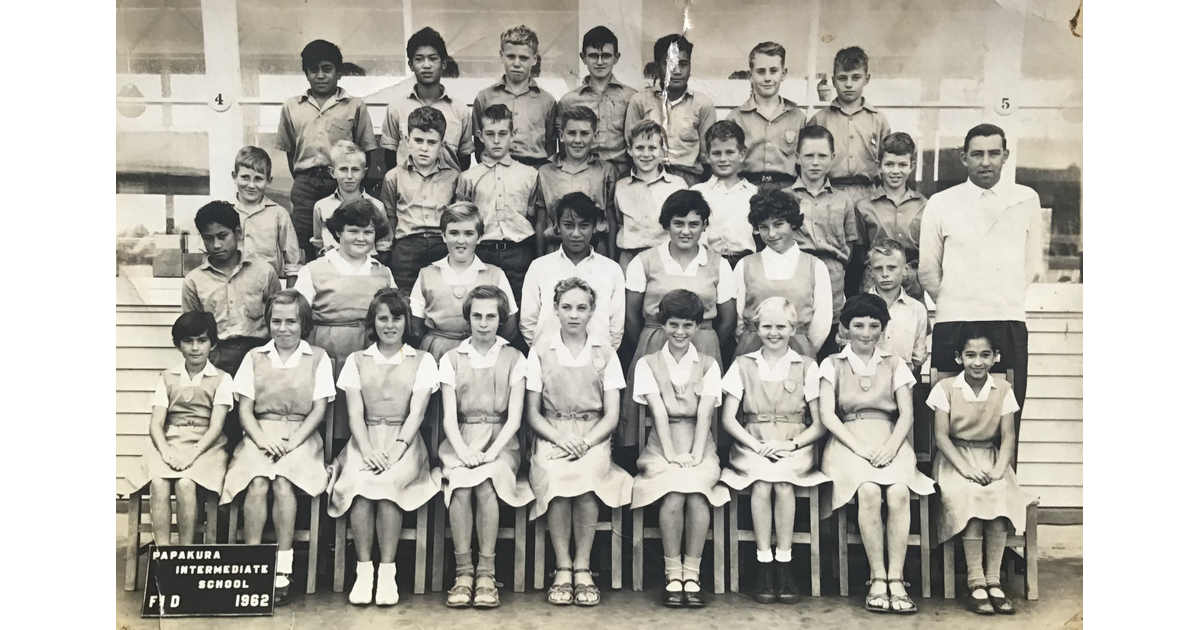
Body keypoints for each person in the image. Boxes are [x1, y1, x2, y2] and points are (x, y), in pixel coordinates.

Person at [919, 123, 1043, 448]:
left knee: (1006, 416)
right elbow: (928, 270)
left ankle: (1005, 491)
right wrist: (954, 301)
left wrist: (1003, 298)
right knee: (948, 413)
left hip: (1007, 320)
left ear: (1005, 155)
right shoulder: (941, 202)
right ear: (964, 158)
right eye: (977, 154)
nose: (985, 161)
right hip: (954, 322)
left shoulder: (1025, 199)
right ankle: (948, 493)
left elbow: (1030, 264)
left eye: (993, 153)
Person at [818, 293, 934, 615]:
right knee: (868, 491)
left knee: (898, 493)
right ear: (845, 328)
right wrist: (860, 449)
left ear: (883, 329)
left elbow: (907, 416)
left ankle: (896, 579)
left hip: (889, 438)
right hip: (848, 442)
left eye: (874, 326)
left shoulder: (895, 364)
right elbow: (828, 416)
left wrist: (890, 447)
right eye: (858, 325)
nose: (866, 333)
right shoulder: (832, 364)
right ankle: (877, 578)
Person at [326, 288, 442, 607]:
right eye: (382, 318)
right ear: (372, 322)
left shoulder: (423, 360)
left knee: (389, 483)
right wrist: (367, 450)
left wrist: (395, 451)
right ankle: (364, 570)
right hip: (364, 441)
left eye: (396, 318)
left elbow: (417, 413)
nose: (389, 325)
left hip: (404, 442)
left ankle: (387, 571)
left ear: (407, 322)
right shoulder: (356, 361)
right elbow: (354, 414)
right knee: (362, 485)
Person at [221, 290, 334, 606]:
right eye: (276, 322)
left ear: (303, 323)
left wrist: (292, 442)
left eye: (291, 322)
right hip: (260, 433)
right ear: (268, 323)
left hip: (300, 436)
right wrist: (261, 439)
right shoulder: (255, 357)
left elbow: (319, 410)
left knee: (284, 482)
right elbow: (245, 409)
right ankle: (253, 564)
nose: (283, 329)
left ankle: (283, 567)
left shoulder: (318, 358)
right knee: (257, 482)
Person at [526, 278, 633, 607]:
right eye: (567, 307)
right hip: (552, 436)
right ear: (556, 310)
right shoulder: (540, 352)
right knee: (556, 479)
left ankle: (583, 567)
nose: (574, 314)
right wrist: (560, 437)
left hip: (593, 437)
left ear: (592, 312)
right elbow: (532, 413)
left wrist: (585, 443)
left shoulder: (606, 354)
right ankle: (562, 566)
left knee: (587, 481)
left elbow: (611, 414)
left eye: (581, 308)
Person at [718, 297, 828, 605]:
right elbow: (728, 419)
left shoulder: (806, 366)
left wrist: (790, 444)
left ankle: (785, 562)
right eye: (767, 326)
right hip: (753, 443)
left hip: (794, 445)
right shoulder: (743, 365)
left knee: (782, 482)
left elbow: (819, 424)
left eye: (781, 326)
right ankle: (763, 563)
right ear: (756, 328)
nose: (774, 332)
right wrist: (756, 445)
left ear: (793, 328)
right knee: (763, 482)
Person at [630, 289, 731, 608]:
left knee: (698, 492)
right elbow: (658, 411)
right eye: (673, 324)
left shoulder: (710, 364)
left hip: (699, 442)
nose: (680, 332)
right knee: (673, 494)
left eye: (687, 326)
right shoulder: (648, 363)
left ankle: (693, 572)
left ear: (698, 327)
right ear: (662, 326)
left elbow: (705, 414)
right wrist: (672, 455)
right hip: (662, 444)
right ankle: (673, 573)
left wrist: (699, 454)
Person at [439, 286, 535, 609]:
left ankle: (486, 572)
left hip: (501, 443)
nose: (483, 323)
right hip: (462, 440)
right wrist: (464, 453)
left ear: (501, 319)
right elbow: (450, 420)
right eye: (477, 316)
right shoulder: (451, 359)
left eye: (491, 316)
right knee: (461, 487)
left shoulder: (515, 358)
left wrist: (491, 455)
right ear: (468, 318)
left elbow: (515, 418)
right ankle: (463, 572)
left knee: (485, 484)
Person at [622, 189, 736, 445]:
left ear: (704, 226)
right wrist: (651, 341)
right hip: (655, 343)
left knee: (701, 416)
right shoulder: (645, 261)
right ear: (666, 225)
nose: (686, 231)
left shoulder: (719, 264)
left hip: (703, 345)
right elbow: (631, 316)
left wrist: (706, 340)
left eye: (694, 224)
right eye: (678, 223)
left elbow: (728, 319)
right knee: (653, 414)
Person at [929, 326, 1028, 616]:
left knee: (998, 494)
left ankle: (994, 581)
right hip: (955, 460)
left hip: (991, 456)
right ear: (959, 357)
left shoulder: (1003, 390)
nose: (977, 362)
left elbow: (1008, 436)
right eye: (970, 355)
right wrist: (966, 469)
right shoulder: (945, 389)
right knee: (970, 494)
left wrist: (999, 470)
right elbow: (941, 437)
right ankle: (976, 581)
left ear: (995, 357)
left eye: (985, 355)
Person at [294, 199, 397, 447]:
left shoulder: (383, 272)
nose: (361, 238)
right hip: (327, 350)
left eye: (368, 232)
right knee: (327, 412)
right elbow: (297, 317)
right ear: (338, 232)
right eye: (353, 230)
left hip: (369, 352)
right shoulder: (314, 270)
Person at [183, 201, 281, 448]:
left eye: (222, 236)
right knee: (224, 428)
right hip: (218, 359)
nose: (216, 245)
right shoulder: (194, 281)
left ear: (237, 234)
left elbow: (277, 319)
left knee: (260, 425)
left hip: (259, 357)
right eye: (208, 239)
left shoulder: (263, 272)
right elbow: (193, 332)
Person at [128, 312, 232, 547]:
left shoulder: (222, 379)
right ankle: (163, 554)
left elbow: (216, 426)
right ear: (178, 345)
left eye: (202, 341)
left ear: (212, 344)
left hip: (206, 445)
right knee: (159, 482)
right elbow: (156, 424)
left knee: (186, 483)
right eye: (188, 341)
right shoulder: (167, 378)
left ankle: (185, 553)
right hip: (170, 442)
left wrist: (191, 454)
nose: (195, 348)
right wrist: (166, 452)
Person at [277, 39, 378, 262]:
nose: (320, 75)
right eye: (314, 70)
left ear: (339, 72)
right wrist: (305, 178)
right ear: (305, 73)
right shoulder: (292, 107)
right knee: (305, 241)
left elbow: (365, 152)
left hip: (342, 183)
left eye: (327, 69)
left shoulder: (355, 106)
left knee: (345, 237)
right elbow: (290, 151)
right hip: (306, 186)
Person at [411, 203, 519, 362]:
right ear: (443, 235)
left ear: (480, 237)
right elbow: (415, 326)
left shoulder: (495, 275)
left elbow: (509, 327)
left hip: (482, 352)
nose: (461, 240)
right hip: (437, 354)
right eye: (454, 233)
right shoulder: (427, 274)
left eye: (469, 233)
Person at [732, 189, 832, 358]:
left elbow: (821, 323)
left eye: (778, 224)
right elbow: (739, 319)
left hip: (799, 352)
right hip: (752, 351)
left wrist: (804, 348)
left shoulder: (815, 266)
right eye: (764, 227)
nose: (772, 234)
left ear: (792, 223)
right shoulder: (745, 265)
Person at [456, 104, 540, 300]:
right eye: (490, 134)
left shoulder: (529, 175)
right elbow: (463, 219)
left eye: (502, 133)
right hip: (483, 252)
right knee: (483, 304)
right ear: (480, 135)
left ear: (513, 134)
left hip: (519, 252)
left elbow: (533, 216)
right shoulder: (468, 177)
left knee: (519, 306)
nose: (496, 140)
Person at [521, 193, 626, 350]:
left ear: (595, 226)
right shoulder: (539, 267)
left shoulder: (611, 270)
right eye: (569, 225)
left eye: (584, 226)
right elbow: (528, 322)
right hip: (547, 359)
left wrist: (601, 356)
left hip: (596, 360)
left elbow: (616, 327)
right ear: (557, 226)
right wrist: (544, 354)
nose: (576, 234)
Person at [788, 125, 858, 359]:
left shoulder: (843, 200)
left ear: (832, 159)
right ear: (797, 158)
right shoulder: (786, 197)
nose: (815, 162)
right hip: (797, 277)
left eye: (822, 156)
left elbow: (850, 246)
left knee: (829, 346)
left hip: (833, 279)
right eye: (808, 156)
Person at [381, 106, 459, 296]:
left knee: (441, 295)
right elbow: (390, 217)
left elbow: (457, 218)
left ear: (442, 145)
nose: (424, 148)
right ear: (407, 141)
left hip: (441, 245)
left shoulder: (454, 177)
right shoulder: (394, 177)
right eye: (418, 141)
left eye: (432, 142)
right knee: (405, 299)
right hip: (406, 248)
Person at [625, 34, 716, 186]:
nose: (677, 71)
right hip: (648, 178)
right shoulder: (640, 101)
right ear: (657, 66)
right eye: (669, 64)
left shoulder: (702, 105)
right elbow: (631, 148)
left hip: (689, 181)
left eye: (683, 64)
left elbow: (708, 156)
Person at [805, 46, 891, 205]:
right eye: (842, 78)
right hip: (828, 193)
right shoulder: (819, 120)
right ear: (833, 81)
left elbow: (888, 163)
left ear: (867, 79)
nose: (849, 84)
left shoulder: (878, 120)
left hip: (869, 195)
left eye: (855, 77)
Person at [382, 27, 474, 172]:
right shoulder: (397, 108)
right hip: (408, 191)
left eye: (433, 59)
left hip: (448, 190)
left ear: (443, 64)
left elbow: (464, 158)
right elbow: (389, 156)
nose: (426, 65)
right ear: (411, 65)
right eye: (419, 59)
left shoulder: (459, 110)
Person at [533, 105, 619, 257]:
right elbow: (541, 222)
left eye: (584, 133)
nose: (577, 140)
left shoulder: (606, 171)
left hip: (596, 248)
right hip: (555, 249)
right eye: (572, 133)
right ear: (561, 135)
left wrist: (612, 259)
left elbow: (611, 219)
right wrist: (539, 260)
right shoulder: (546, 172)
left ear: (595, 136)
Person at [472, 25, 558, 167]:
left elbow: (550, 146)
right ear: (502, 56)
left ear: (534, 59)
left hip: (534, 171)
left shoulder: (547, 101)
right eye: (511, 56)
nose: (516, 63)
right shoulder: (485, 98)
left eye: (524, 58)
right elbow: (479, 145)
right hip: (494, 170)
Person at [853, 132, 926, 299]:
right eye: (889, 164)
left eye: (902, 165)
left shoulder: (924, 205)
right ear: (879, 166)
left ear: (912, 166)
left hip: (912, 287)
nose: (895, 171)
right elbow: (859, 255)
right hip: (875, 285)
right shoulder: (864, 207)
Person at [558, 26, 639, 177]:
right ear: (583, 57)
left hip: (622, 175)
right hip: (582, 175)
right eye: (593, 56)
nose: (600, 62)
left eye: (606, 56)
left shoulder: (632, 98)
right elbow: (564, 149)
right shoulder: (569, 101)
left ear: (616, 57)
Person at [726, 42, 807, 190]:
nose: (767, 78)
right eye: (761, 72)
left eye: (774, 71)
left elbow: (805, 162)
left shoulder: (797, 117)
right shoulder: (736, 118)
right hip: (747, 189)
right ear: (750, 75)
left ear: (783, 74)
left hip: (787, 189)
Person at [614, 119, 688, 271]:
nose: (646, 154)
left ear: (662, 151)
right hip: (630, 257)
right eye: (639, 148)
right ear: (629, 149)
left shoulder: (677, 185)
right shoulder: (621, 187)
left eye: (652, 148)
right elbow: (619, 220)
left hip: (666, 257)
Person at [691, 121, 759, 269]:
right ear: (707, 156)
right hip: (708, 265)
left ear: (741, 154)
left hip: (746, 265)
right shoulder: (697, 193)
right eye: (716, 153)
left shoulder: (755, 194)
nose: (723, 159)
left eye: (729, 152)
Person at [229, 146, 303, 281]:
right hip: (231, 289)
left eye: (258, 179)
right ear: (234, 177)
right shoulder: (225, 211)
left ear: (269, 181)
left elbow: (293, 264)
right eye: (245, 177)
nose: (251, 185)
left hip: (268, 290)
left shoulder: (279, 214)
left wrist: (288, 297)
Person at [311, 141, 392, 258]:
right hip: (332, 269)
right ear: (332, 172)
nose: (349, 176)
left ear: (364, 173)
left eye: (355, 169)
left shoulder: (377, 206)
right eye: (343, 169)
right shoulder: (321, 206)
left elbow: (383, 246)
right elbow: (319, 245)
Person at [861, 238, 929, 375]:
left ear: (905, 270)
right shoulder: (858, 307)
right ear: (870, 272)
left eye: (891, 268)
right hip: (865, 382)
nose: (885, 274)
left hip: (904, 382)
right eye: (878, 268)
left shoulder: (917, 309)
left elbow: (918, 359)